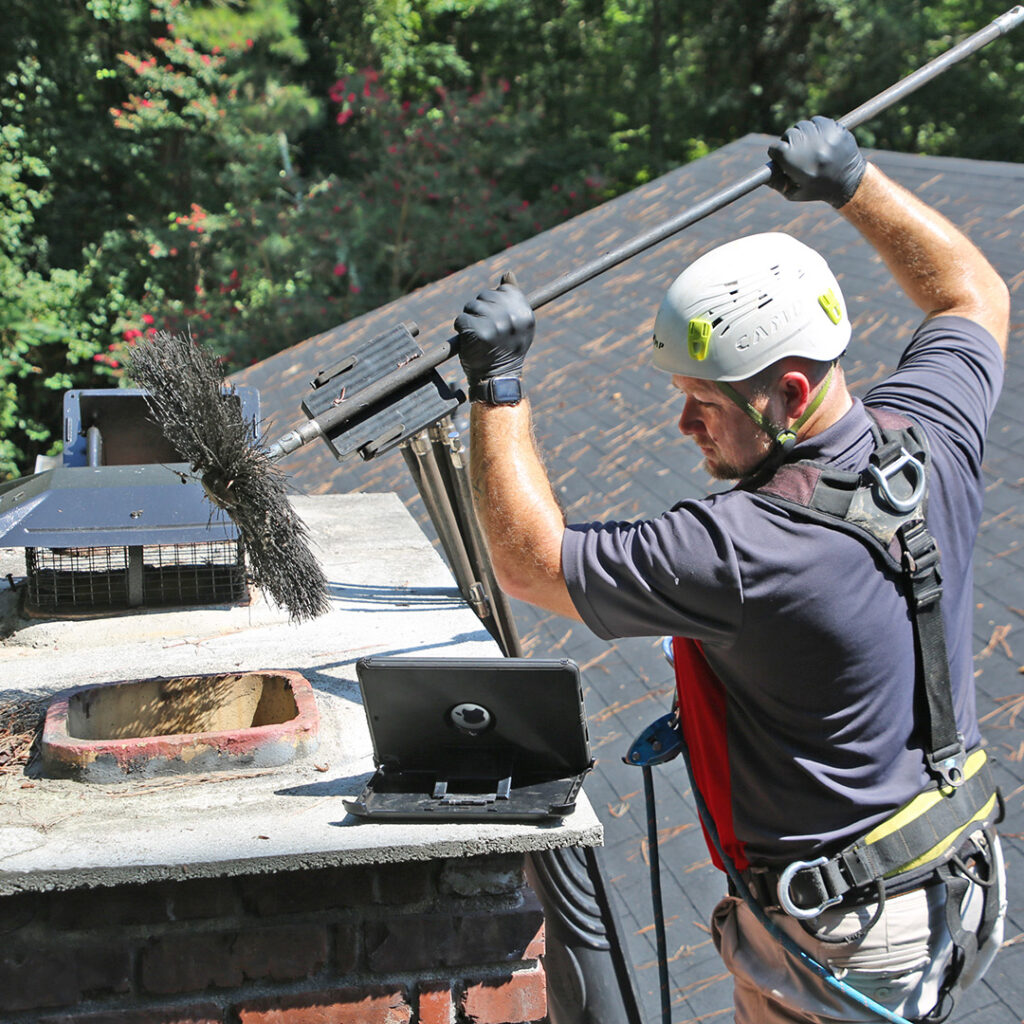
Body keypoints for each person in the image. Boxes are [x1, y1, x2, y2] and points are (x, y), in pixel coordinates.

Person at [453, 116, 1009, 1023]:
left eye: (703, 404)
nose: (684, 428)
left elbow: (529, 563)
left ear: (790, 393)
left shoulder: (743, 548)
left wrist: (498, 387)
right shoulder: (930, 436)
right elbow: (972, 297)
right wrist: (853, 181)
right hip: (948, 879)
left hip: (845, 937)